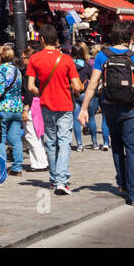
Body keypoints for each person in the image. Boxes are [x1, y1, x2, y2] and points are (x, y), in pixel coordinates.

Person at [78, 22, 134, 205]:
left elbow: (93, 84)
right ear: (129, 38)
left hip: (109, 107)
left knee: (117, 146)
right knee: (132, 150)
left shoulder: (102, 56)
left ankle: (122, 183)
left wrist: (84, 108)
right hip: (130, 108)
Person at [26, 23, 82, 195]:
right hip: (65, 105)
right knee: (64, 142)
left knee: (50, 142)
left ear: (42, 40)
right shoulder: (66, 59)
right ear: (56, 40)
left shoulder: (34, 59)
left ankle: (53, 178)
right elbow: (77, 86)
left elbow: (31, 86)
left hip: (46, 105)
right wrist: (76, 89)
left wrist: (42, 92)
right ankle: (61, 180)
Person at [0, 44, 25, 176]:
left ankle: (1, 167)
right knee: (15, 139)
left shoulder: (1, 70)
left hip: (3, 107)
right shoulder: (17, 70)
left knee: (0, 139)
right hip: (17, 107)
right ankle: (17, 167)